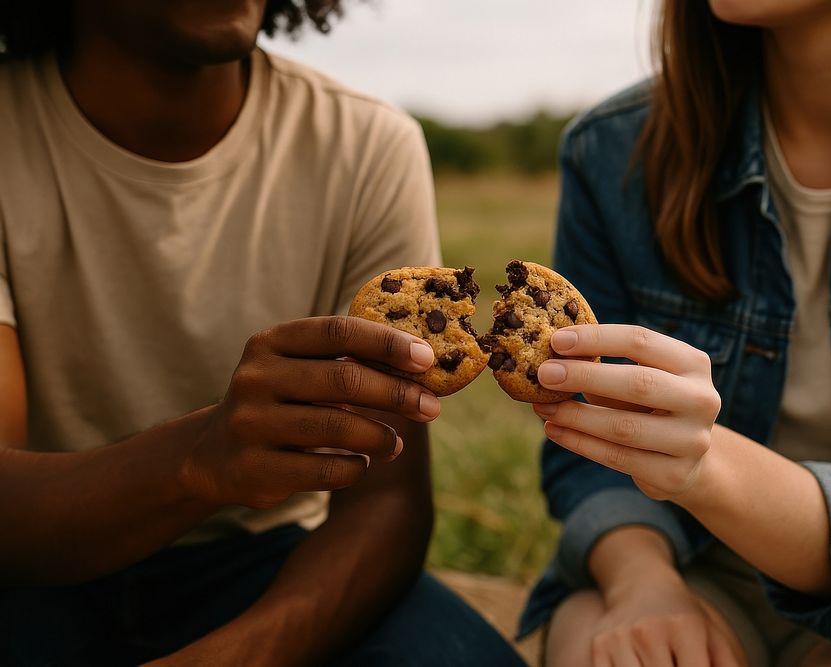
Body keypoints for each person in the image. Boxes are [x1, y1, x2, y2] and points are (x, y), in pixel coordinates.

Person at [0, 1, 525, 665]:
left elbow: (385, 504)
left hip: (273, 563)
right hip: (38, 564)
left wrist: (233, 656)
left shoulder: (365, 144)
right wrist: (199, 458)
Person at [519, 0, 831, 665]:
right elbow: (582, 452)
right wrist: (641, 581)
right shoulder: (614, 151)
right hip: (686, 568)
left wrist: (709, 464)